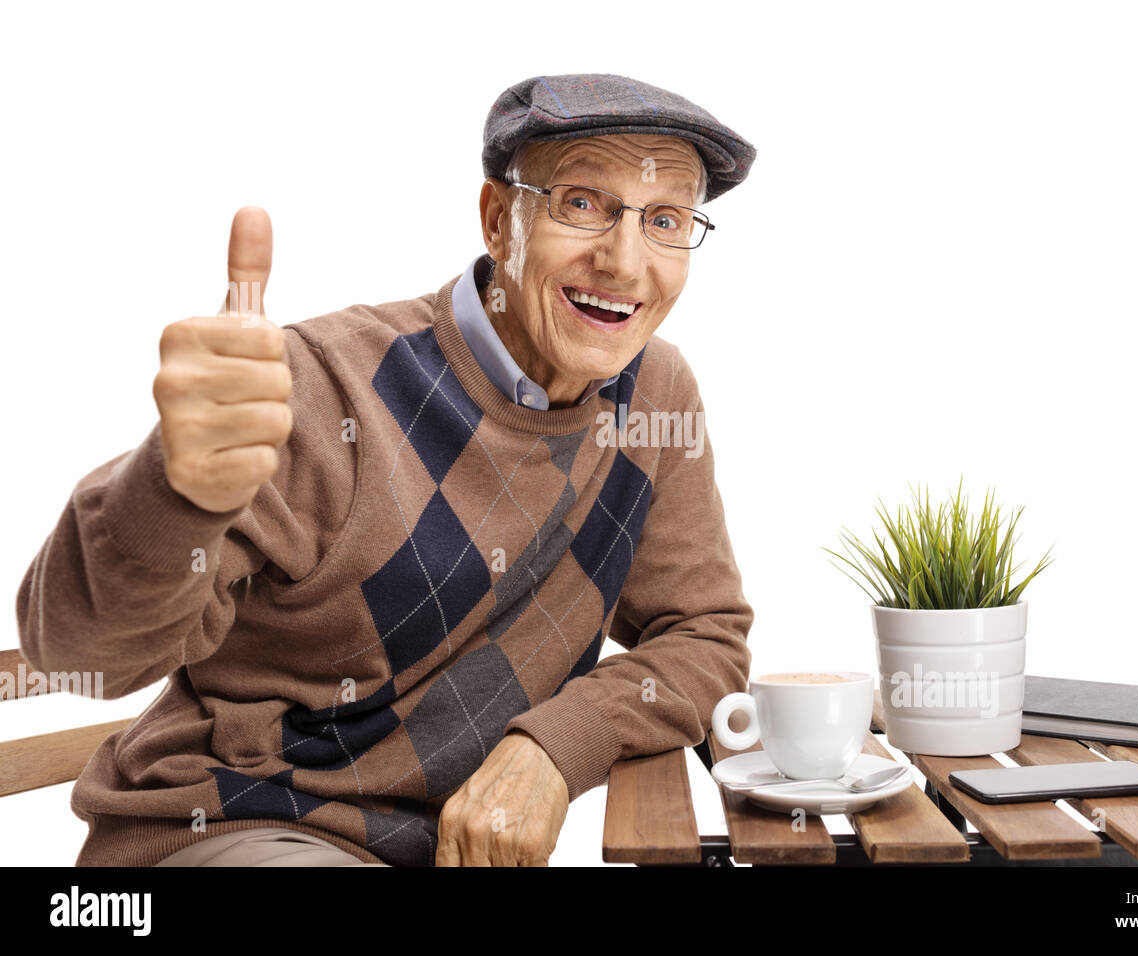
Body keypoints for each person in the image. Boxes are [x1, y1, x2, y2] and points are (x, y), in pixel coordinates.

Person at [16, 73, 757, 867]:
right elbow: (77, 653)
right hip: (239, 830)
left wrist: (556, 746)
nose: (623, 260)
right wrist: (174, 489)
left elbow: (704, 636)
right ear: (499, 219)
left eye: (665, 220)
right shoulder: (318, 387)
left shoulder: (653, 395)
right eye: (582, 203)